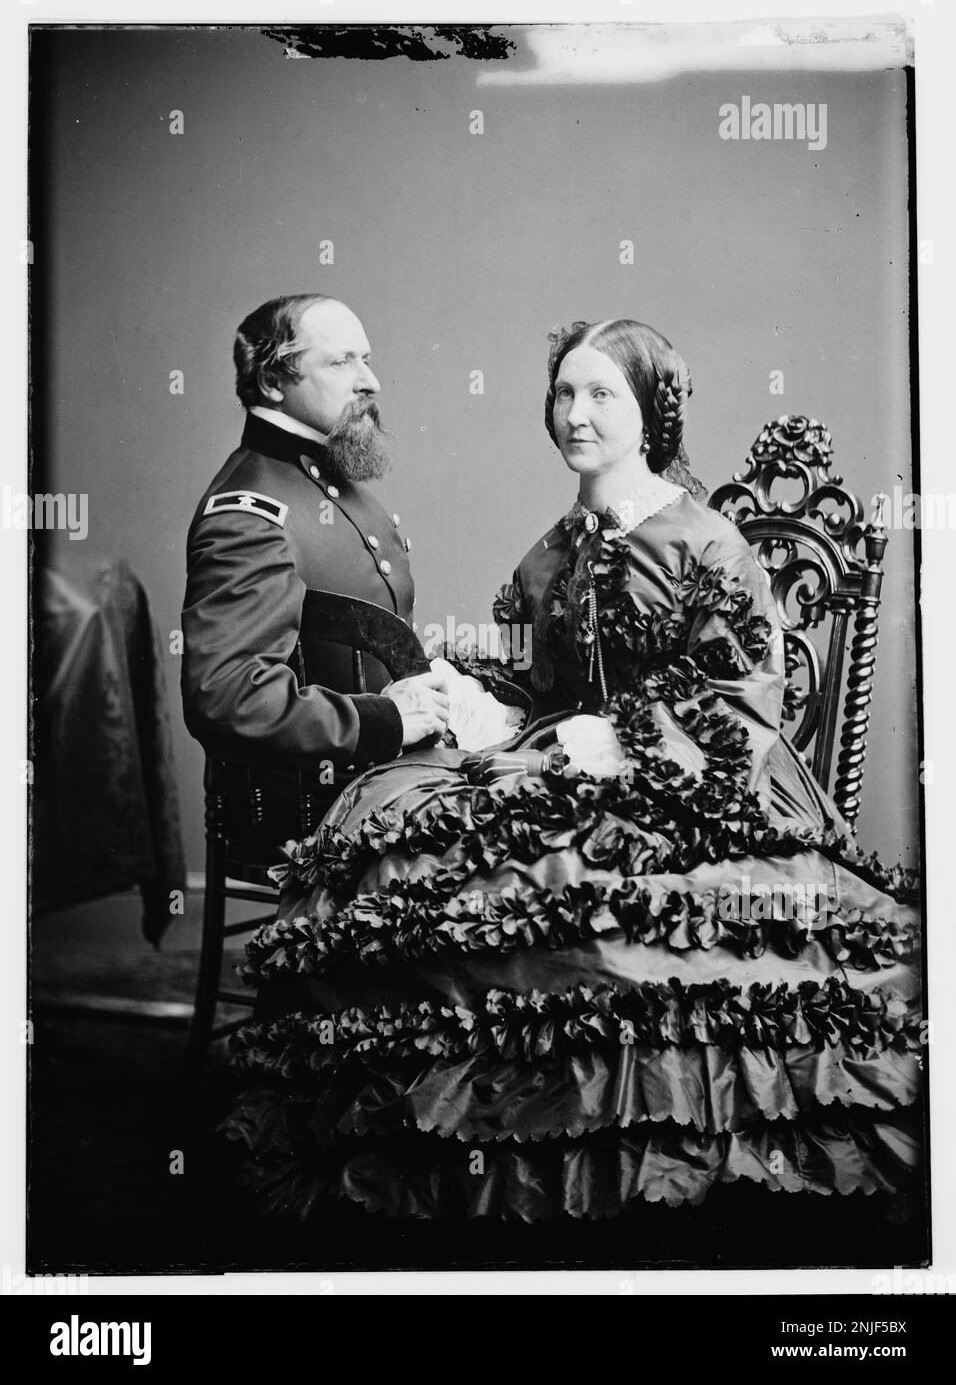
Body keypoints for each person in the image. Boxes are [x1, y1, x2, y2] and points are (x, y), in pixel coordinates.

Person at [223, 319, 922, 1241]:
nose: (576, 414)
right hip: (564, 766)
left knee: (577, 897)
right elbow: (532, 681)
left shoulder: (707, 543)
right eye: (564, 393)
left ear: (651, 414)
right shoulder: (552, 549)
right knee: (404, 834)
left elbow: (743, 703)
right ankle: (445, 1135)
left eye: (602, 395)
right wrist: (480, 698)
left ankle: (622, 1157)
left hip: (701, 787)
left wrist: (625, 737)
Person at [181, 294, 449, 851]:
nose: (369, 380)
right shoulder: (249, 514)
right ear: (273, 382)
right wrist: (385, 721)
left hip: (382, 785)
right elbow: (227, 697)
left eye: (367, 359)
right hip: (316, 809)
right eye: (340, 362)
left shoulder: (329, 481)